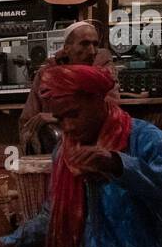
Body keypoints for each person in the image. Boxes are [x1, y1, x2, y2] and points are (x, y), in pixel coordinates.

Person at [0, 64, 162, 247]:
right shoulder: (65, 152)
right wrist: (11, 241)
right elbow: (53, 215)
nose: (68, 126)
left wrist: (117, 164)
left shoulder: (144, 138)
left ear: (97, 100)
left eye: (74, 114)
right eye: (60, 118)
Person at [19, 20, 116, 153]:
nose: (92, 51)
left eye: (95, 44)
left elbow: (111, 110)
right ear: (66, 48)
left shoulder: (103, 70)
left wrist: (56, 117)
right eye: (84, 44)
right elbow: (27, 122)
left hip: (97, 148)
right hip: (55, 149)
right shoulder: (47, 73)